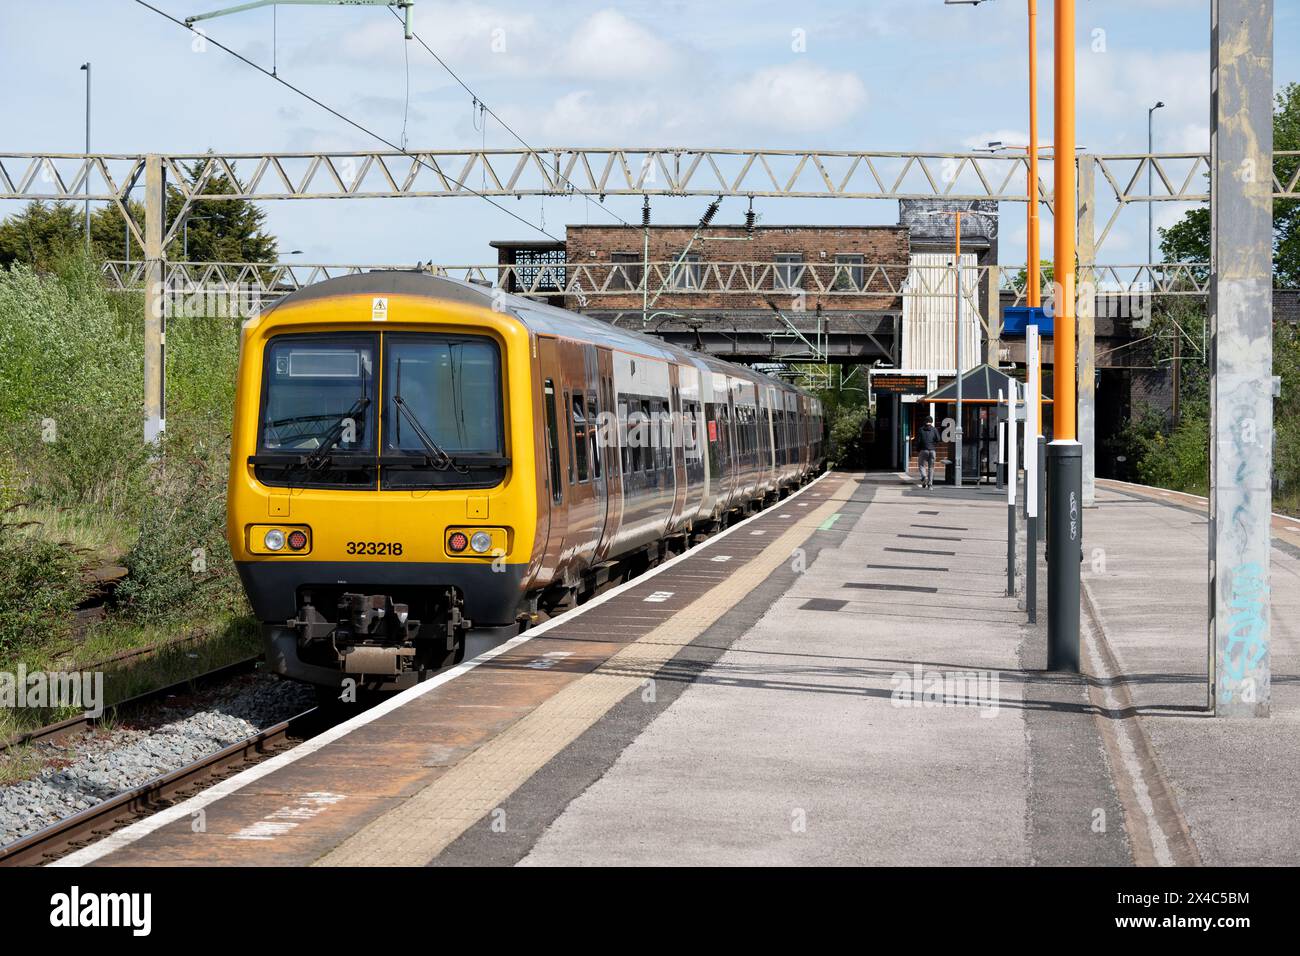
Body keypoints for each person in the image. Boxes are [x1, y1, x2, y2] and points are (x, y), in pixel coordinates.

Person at [915, 416, 941, 489]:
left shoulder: (921, 429)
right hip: (932, 450)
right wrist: (933, 444)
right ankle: (930, 484)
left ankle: (924, 476)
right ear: (931, 422)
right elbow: (938, 439)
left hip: (923, 450)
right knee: (931, 467)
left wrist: (918, 449)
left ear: (925, 421)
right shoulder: (934, 429)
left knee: (921, 465)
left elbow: (918, 441)